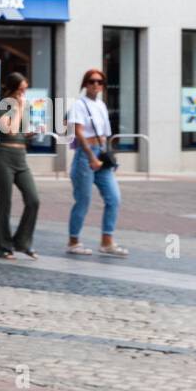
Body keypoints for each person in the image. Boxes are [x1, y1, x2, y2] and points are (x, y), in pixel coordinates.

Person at [65, 68, 126, 257]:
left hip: (101, 153)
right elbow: (79, 132)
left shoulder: (101, 105)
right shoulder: (79, 105)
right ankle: (73, 241)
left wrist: (108, 156)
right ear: (85, 84)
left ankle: (107, 241)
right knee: (83, 200)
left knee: (114, 198)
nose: (96, 85)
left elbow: (105, 134)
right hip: (85, 156)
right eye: (92, 81)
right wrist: (91, 157)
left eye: (100, 82)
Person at [0, 72, 40, 260]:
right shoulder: (4, 105)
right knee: (5, 203)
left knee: (33, 199)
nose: (23, 94)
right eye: (21, 90)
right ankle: (2, 247)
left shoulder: (23, 106)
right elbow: (9, 130)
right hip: (4, 157)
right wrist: (18, 108)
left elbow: (22, 132)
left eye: (25, 90)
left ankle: (22, 242)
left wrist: (33, 132)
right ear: (14, 88)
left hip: (21, 158)